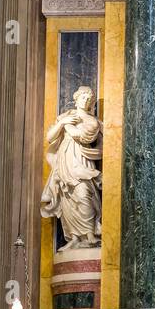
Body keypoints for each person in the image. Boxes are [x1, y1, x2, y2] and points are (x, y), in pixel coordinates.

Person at [40, 85, 103, 248]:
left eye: (89, 99)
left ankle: (90, 234)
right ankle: (74, 237)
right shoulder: (66, 116)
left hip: (82, 159)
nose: (86, 101)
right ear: (76, 99)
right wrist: (62, 123)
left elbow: (82, 137)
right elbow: (49, 137)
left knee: (83, 193)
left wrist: (67, 125)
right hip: (65, 158)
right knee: (67, 197)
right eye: (83, 97)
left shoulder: (92, 121)